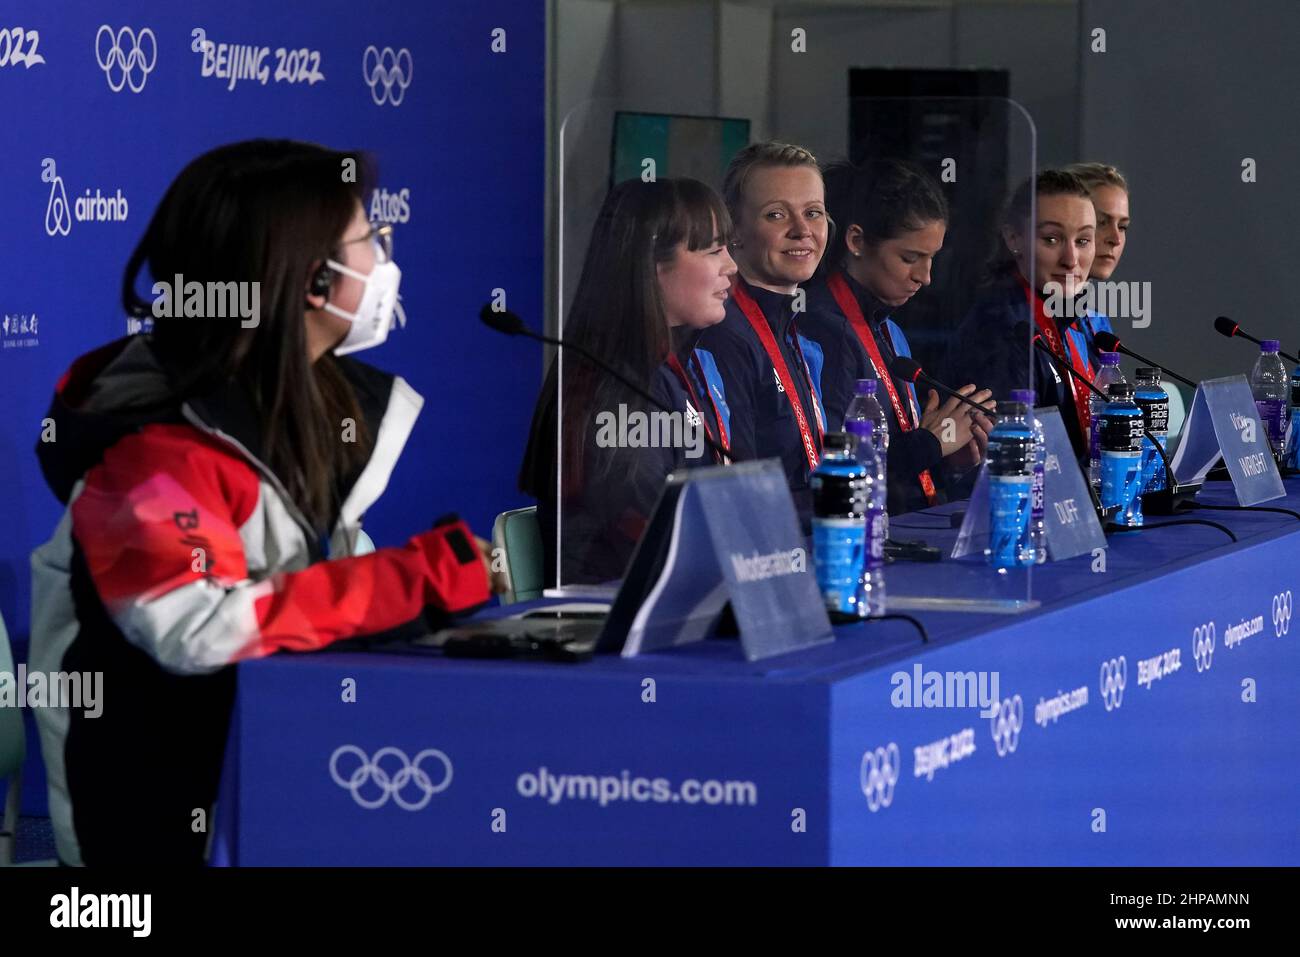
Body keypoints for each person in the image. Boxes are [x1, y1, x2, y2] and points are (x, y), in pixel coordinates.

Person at [28, 139, 502, 867]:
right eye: (370, 237)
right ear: (316, 281)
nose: (384, 256)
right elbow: (201, 628)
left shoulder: (315, 404)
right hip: (147, 841)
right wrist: (416, 581)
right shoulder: (153, 456)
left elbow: (307, 591)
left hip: (275, 795)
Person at [519, 177, 736, 586]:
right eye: (714, 250)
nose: (732, 266)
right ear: (653, 267)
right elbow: (657, 549)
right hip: (613, 630)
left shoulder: (660, 369)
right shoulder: (619, 390)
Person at [802, 158, 993, 515]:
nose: (926, 276)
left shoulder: (890, 330)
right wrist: (929, 445)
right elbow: (832, 474)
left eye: (933, 258)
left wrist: (951, 461)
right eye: (910, 258)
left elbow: (898, 473)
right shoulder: (821, 329)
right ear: (856, 241)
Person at [697, 142, 830, 522]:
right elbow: (742, 494)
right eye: (776, 215)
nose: (802, 231)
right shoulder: (723, 334)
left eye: (814, 213)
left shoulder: (795, 332)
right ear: (734, 230)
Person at [945, 169, 1099, 459]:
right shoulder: (1001, 327)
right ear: (1013, 238)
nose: (1071, 259)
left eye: (1082, 241)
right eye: (1052, 239)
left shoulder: (1072, 315)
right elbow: (1014, 455)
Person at [1064, 162, 1131, 357]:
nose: (1116, 239)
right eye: (1102, 222)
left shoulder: (1097, 323)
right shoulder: (1030, 319)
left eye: (1123, 226)